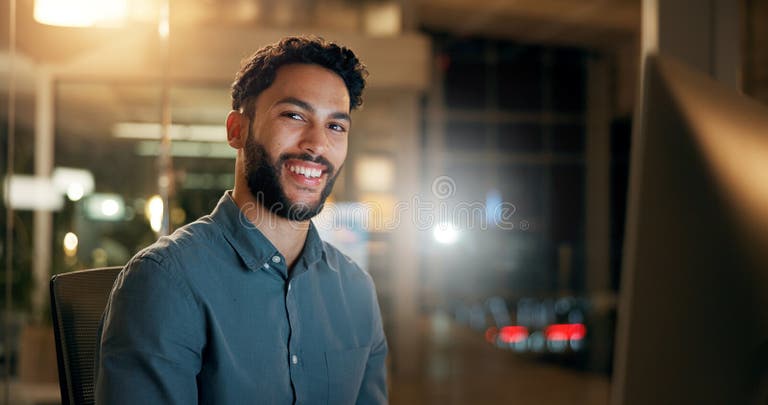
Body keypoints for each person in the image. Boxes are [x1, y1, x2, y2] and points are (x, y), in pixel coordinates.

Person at [95, 36, 388, 405]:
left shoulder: (356, 289)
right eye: (294, 115)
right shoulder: (166, 280)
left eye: (336, 126)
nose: (317, 144)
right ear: (237, 130)